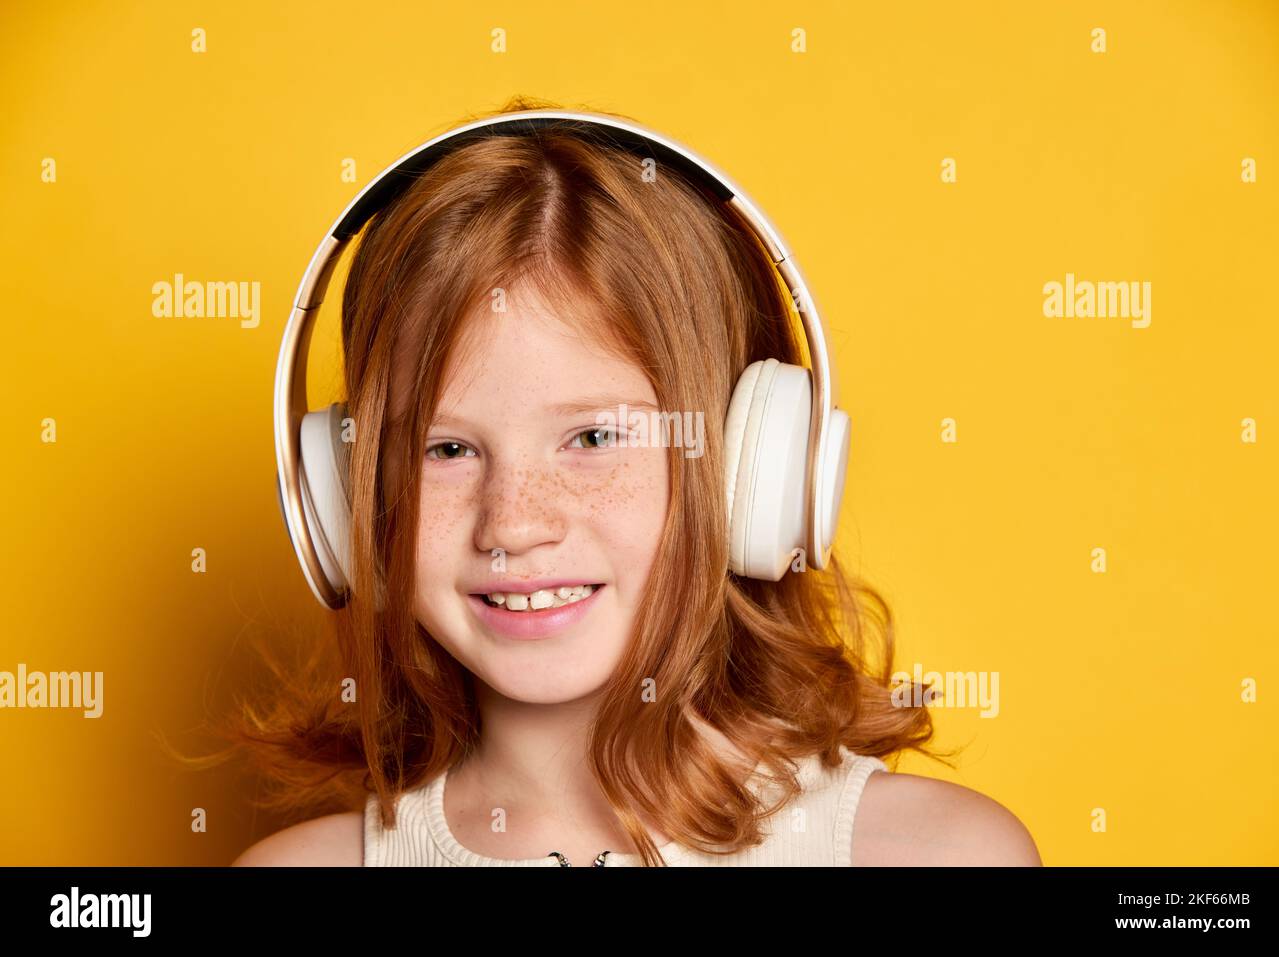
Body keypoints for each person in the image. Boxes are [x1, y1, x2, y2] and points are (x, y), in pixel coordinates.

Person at [230, 96, 1041, 867]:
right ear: (349, 499)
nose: (513, 525)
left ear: (748, 471)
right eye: (446, 450)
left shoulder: (936, 854)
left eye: (592, 436)